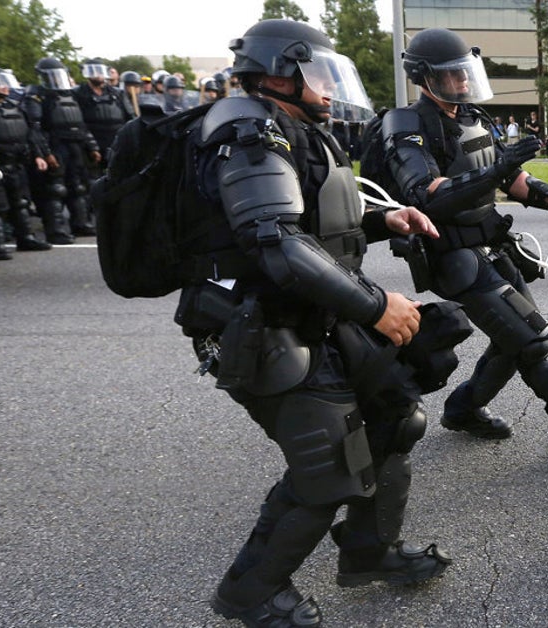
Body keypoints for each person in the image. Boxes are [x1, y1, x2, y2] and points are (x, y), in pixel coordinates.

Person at [170, 20, 457, 626]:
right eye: (318, 72)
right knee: (329, 468)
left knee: (395, 416)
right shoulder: (248, 131)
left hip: (315, 314)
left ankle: (367, 550)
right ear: (279, 71)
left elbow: (314, 227)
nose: (329, 87)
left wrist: (386, 221)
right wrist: (378, 306)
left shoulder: (290, 127)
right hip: (267, 325)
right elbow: (275, 242)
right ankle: (250, 591)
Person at [380, 27, 548, 446]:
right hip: (452, 255)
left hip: (491, 246)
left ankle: (463, 409)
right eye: (453, 74)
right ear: (425, 77)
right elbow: (425, 195)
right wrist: (497, 172)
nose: (463, 81)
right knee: (532, 337)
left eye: (466, 72)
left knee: (514, 339)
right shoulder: (406, 123)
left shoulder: (471, 118)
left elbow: (513, 178)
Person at [0, 66, 54, 253]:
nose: (5, 87)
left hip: (17, 163)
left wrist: (38, 155)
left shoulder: (14, 106)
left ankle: (26, 238)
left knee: (21, 203)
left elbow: (30, 133)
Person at [25, 57, 102, 241]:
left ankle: (80, 223)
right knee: (55, 189)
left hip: (76, 145)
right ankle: (56, 230)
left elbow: (81, 124)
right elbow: (35, 128)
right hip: (55, 144)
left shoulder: (71, 95)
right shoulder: (37, 96)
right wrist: (46, 153)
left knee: (78, 187)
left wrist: (92, 146)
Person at [73, 58, 131, 168]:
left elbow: (130, 118)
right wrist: (91, 145)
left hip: (116, 142)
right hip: (90, 143)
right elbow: (77, 122)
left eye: (99, 71)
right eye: (93, 71)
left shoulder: (118, 93)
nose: (97, 75)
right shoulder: (78, 93)